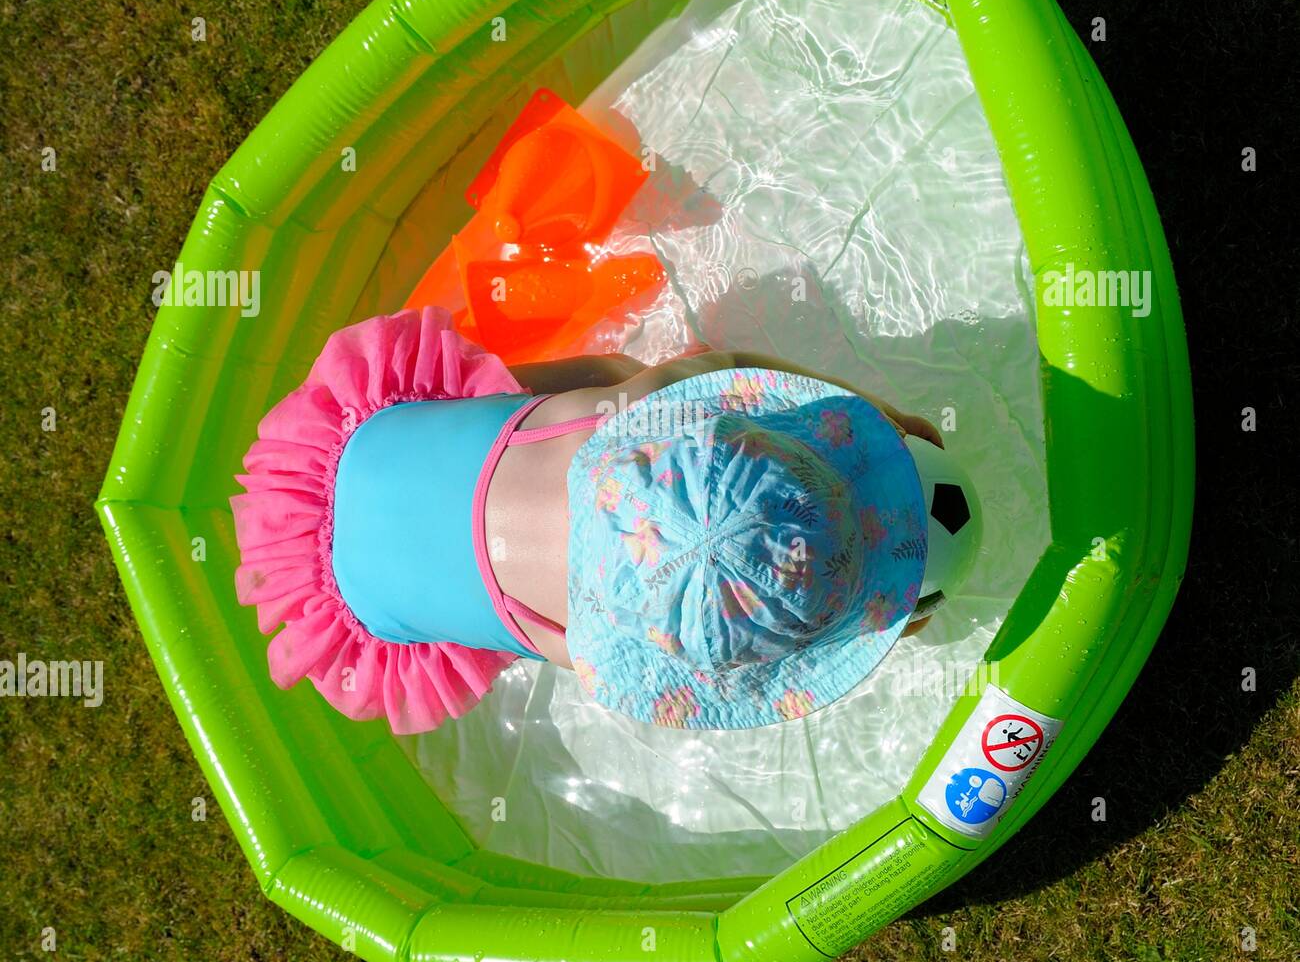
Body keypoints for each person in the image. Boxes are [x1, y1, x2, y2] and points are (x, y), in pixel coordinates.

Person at [233, 307, 940, 734]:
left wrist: (874, 415)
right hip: (353, 576)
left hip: (359, 449)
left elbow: (730, 369)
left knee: (606, 368)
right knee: (507, 595)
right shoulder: (587, 645)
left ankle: (501, 419)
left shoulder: (644, 397)